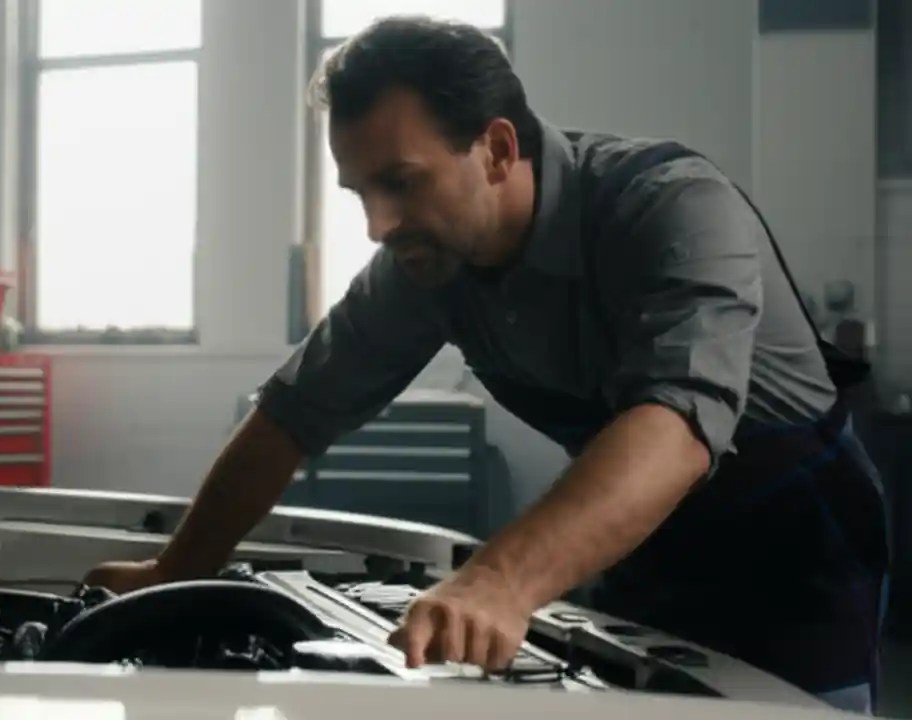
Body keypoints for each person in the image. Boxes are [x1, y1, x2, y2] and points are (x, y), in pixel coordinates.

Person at [84, 15, 890, 714]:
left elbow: (676, 426)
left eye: (399, 183)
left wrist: (499, 580)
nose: (376, 224)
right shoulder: (426, 264)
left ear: (497, 148)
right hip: (636, 545)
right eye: (359, 192)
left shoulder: (673, 207)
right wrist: (174, 573)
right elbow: (289, 418)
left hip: (794, 550)